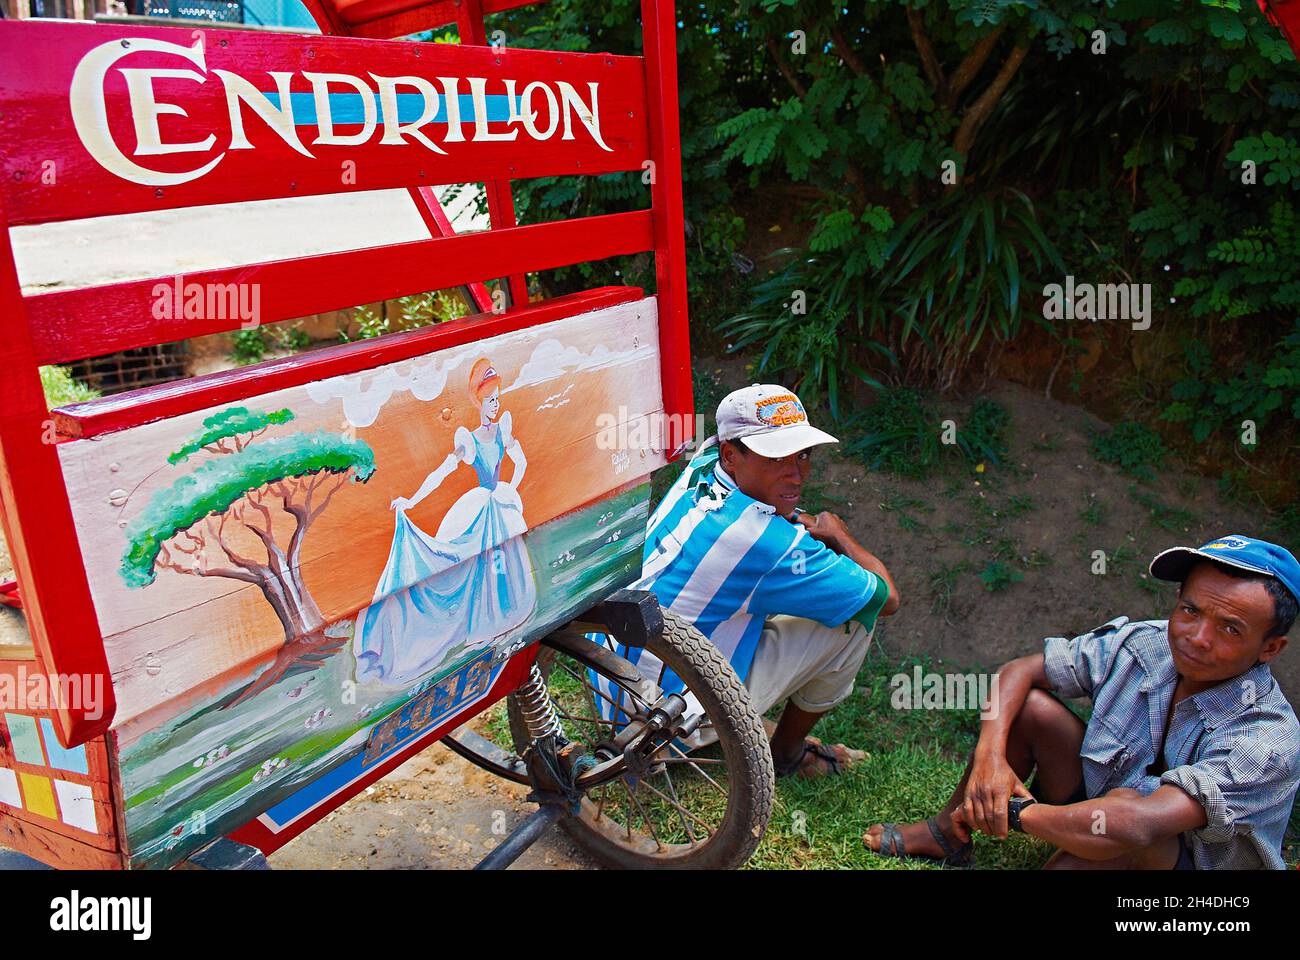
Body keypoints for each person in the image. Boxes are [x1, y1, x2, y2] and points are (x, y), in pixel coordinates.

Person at [864, 534, 1300, 869]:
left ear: (1270, 648)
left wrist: (1014, 813)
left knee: (1129, 828)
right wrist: (989, 760)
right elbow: (1019, 670)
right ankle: (947, 834)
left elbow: (1141, 824)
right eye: (1190, 610)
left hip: (1172, 861)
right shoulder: (1144, 646)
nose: (1197, 637)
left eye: (1230, 629)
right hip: (1099, 813)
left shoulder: (1268, 741)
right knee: (1031, 708)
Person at [620, 384, 900, 778]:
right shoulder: (769, 544)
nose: (796, 472)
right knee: (854, 622)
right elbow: (886, 599)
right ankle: (787, 753)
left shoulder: (704, 463)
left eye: (803, 454)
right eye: (776, 457)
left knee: (753, 600)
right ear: (732, 456)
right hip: (663, 718)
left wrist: (795, 516)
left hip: (612, 679)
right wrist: (838, 534)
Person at [353, 357, 536, 685]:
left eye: (498, 399)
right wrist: (411, 501)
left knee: (500, 564)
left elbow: (520, 462)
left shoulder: (502, 431)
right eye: (490, 400)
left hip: (497, 504)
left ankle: (497, 621)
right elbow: (440, 473)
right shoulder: (469, 438)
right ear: (478, 402)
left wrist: (511, 491)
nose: (496, 405)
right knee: (471, 564)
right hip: (480, 509)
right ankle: (471, 625)